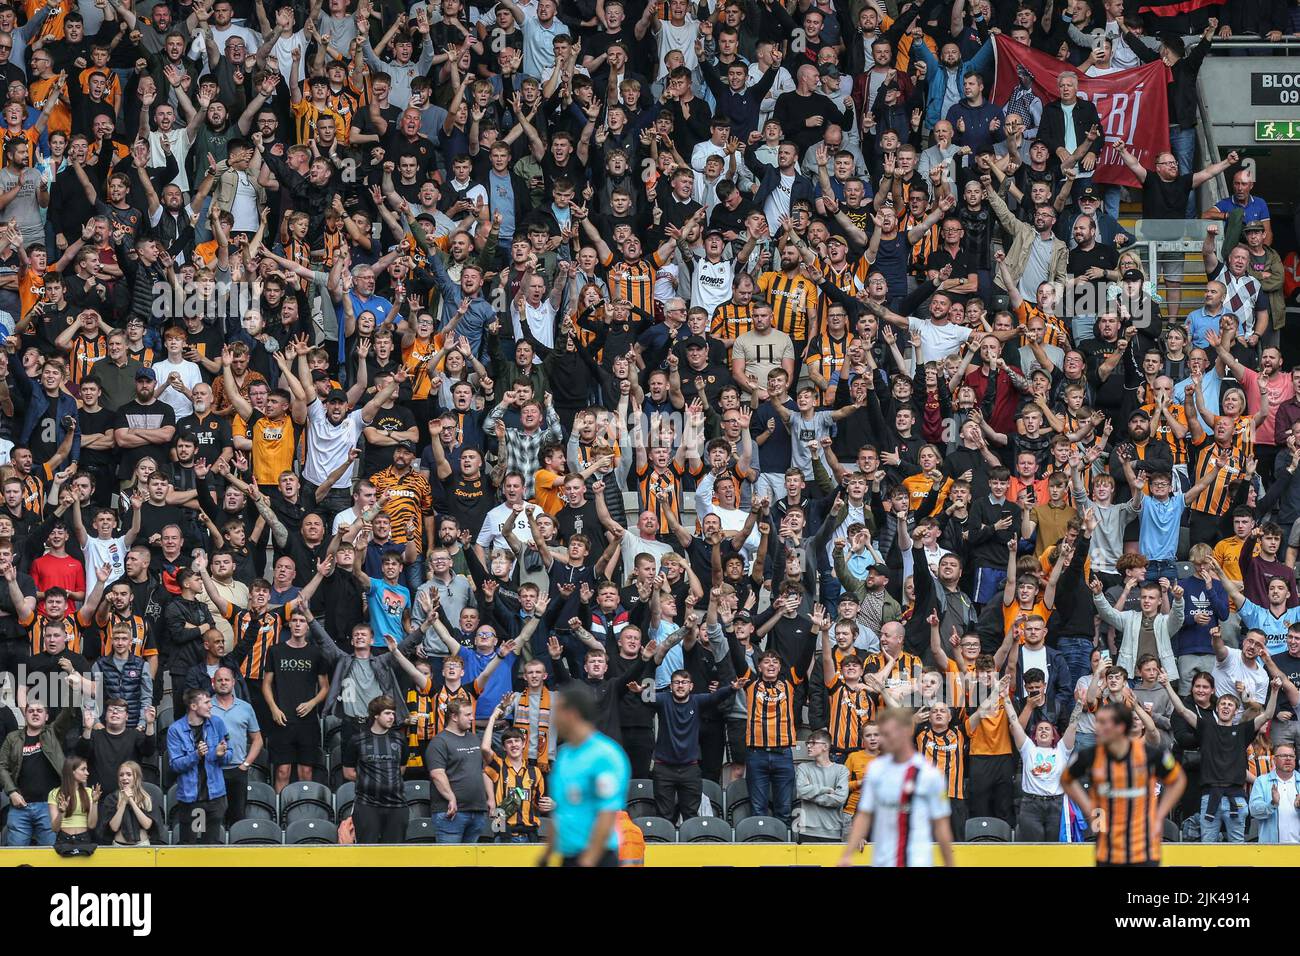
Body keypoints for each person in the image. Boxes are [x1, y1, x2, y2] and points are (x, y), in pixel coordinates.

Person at [1161, 668, 1280, 843]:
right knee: (1208, 847)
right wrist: (1166, 685)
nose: (1225, 707)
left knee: (1237, 847)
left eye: (1230, 704)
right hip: (1209, 797)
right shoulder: (1207, 728)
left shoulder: (1243, 730)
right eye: (1222, 704)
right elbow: (1183, 711)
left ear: (1236, 711)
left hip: (1236, 797)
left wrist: (1275, 691)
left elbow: (1268, 715)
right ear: (1217, 708)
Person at [1061, 703, 1186, 867]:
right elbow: (1065, 779)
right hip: (1107, 851)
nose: (1097, 727)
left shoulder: (1150, 754)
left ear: (1120, 727)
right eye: (1098, 721)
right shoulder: (1089, 755)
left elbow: (1178, 780)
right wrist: (1089, 807)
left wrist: (1159, 815)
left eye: (1104, 723)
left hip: (1144, 850)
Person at [838, 707, 955, 867]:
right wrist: (847, 854)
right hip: (882, 861)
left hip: (917, 861)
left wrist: (949, 863)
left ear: (906, 731)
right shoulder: (876, 770)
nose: (882, 740)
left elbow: (941, 825)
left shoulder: (930, 775)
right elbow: (864, 815)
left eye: (887, 734)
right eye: (882, 734)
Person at [542, 683, 631, 867]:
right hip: (568, 857)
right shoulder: (564, 755)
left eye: (556, 711)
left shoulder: (605, 755)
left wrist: (589, 860)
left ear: (571, 714)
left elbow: (607, 813)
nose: (553, 718)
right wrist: (547, 854)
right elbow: (560, 812)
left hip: (596, 858)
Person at [342, 695, 410, 845]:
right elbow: (348, 772)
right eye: (387, 713)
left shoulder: (400, 739)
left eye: (393, 713)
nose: (392, 717)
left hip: (397, 805)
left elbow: (401, 769)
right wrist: (371, 780)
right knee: (367, 852)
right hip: (367, 804)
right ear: (376, 715)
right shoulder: (357, 740)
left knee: (395, 852)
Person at [165, 688, 229, 845]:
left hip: (215, 797)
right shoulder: (176, 730)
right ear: (193, 706)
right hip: (193, 799)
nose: (211, 706)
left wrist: (221, 755)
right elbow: (175, 765)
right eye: (206, 702)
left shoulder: (217, 724)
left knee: (211, 843)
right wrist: (196, 755)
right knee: (192, 845)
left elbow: (228, 754)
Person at [425, 698, 488, 844]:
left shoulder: (473, 739)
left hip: (477, 810)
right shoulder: (439, 742)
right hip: (451, 813)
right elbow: (437, 774)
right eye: (467, 715)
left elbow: (482, 770)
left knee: (471, 861)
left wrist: (490, 798)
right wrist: (451, 797)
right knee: (450, 862)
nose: (472, 718)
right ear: (454, 717)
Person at [794, 729, 849, 842]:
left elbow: (840, 799)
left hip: (833, 831)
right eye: (807, 743)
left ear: (825, 746)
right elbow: (800, 792)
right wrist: (825, 789)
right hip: (807, 831)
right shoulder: (803, 768)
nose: (809, 746)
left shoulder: (841, 770)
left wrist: (810, 794)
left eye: (813, 743)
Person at [1247, 742, 1300, 844]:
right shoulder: (1262, 782)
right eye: (1283, 756)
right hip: (1271, 849)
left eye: (1291, 756)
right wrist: (1272, 804)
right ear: (1274, 760)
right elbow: (1254, 810)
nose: (1288, 759)